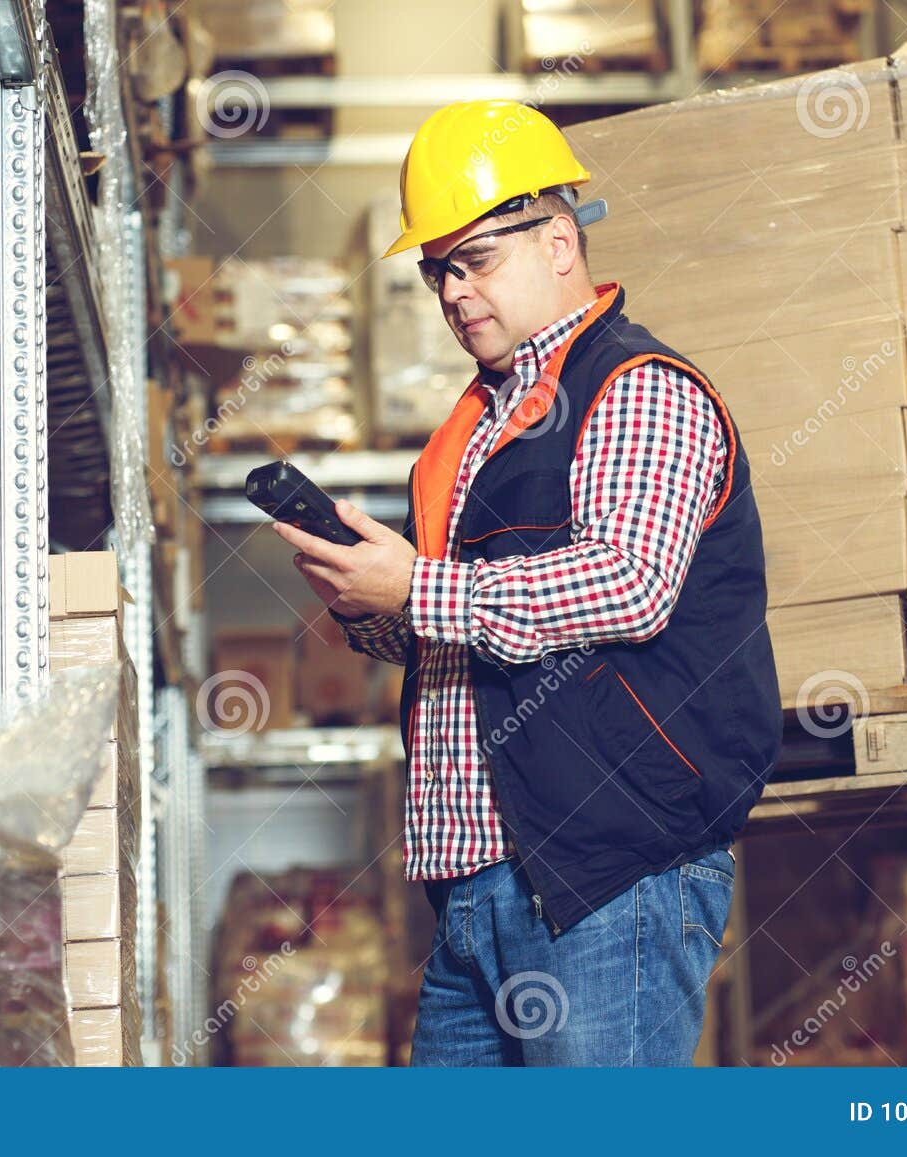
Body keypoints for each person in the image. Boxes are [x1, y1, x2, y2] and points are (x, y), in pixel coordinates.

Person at [272, 99, 782, 1066]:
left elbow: (628, 583)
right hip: (475, 890)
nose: (455, 292)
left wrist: (417, 590)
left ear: (558, 243)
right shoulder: (475, 430)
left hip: (607, 876)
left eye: (476, 261)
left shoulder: (637, 387)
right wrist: (372, 604)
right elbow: (472, 623)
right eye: (438, 272)